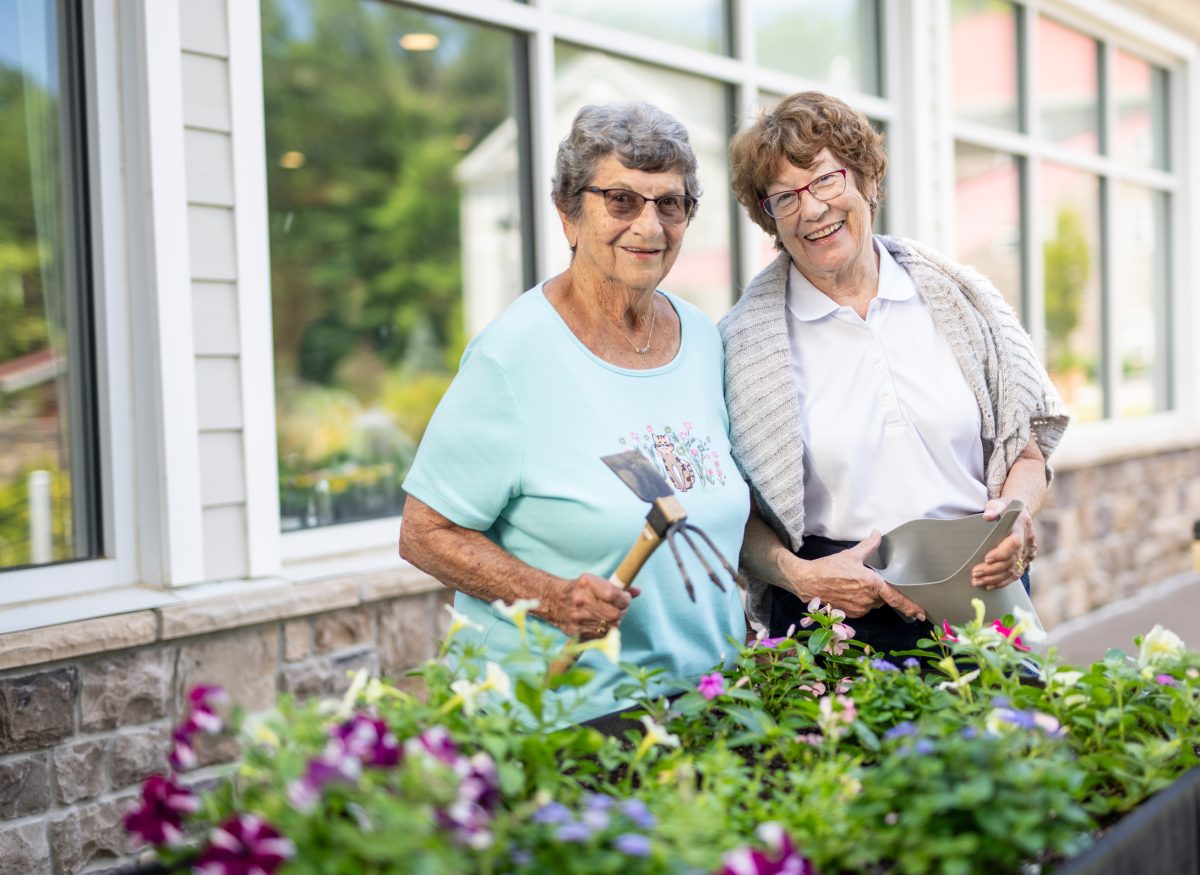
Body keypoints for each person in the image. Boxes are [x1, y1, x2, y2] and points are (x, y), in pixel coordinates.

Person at [399, 102, 749, 725]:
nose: (650, 226)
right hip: (565, 718)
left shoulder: (703, 340)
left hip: (711, 701)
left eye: (671, 204)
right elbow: (425, 533)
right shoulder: (515, 355)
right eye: (621, 200)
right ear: (567, 214)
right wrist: (554, 598)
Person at [720, 91, 1069, 652]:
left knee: (1010, 738)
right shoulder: (743, 346)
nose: (811, 210)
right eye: (783, 197)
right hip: (831, 616)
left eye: (826, 180)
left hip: (978, 594)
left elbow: (1025, 454)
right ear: (769, 219)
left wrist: (1018, 515)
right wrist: (797, 574)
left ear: (868, 181)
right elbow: (729, 509)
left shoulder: (963, 302)